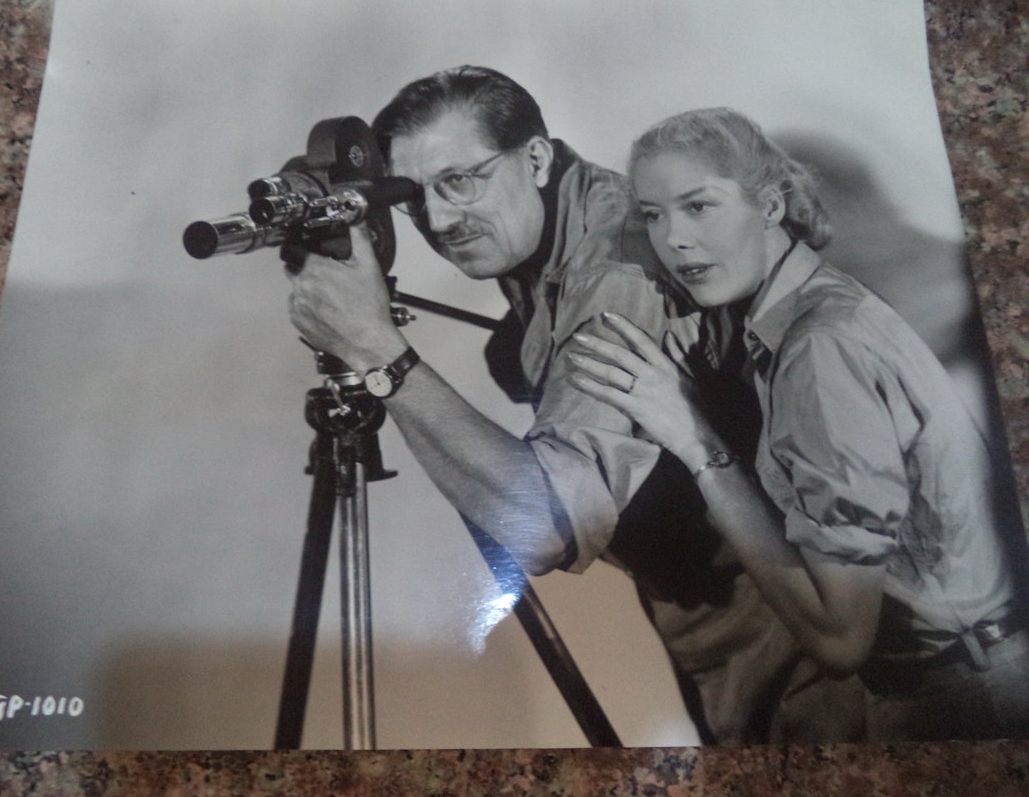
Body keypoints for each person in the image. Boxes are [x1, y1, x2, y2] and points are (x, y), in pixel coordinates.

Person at [288, 68, 862, 744]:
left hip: (820, 648)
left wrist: (378, 351)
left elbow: (542, 526)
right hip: (724, 631)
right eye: (413, 198)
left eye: (459, 181)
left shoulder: (617, 273)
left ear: (534, 157)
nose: (438, 220)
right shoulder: (559, 224)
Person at [568, 106, 1029, 740]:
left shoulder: (819, 350)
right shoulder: (813, 309)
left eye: (699, 206)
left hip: (964, 702)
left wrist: (695, 440)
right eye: (653, 215)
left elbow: (840, 641)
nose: (673, 239)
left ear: (772, 205)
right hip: (957, 682)